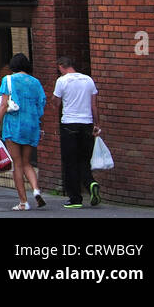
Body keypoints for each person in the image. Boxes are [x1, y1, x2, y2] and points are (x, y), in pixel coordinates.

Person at [0, 52, 46, 210]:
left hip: (14, 125)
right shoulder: (36, 82)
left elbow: (3, 105)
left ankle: (23, 202)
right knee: (27, 162)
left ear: (13, 66)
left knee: (18, 164)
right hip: (32, 125)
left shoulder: (8, 80)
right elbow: (41, 104)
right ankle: (36, 190)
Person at [51, 55, 102, 208]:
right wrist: (97, 124)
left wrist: (54, 98)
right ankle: (91, 183)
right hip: (86, 124)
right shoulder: (88, 80)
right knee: (84, 160)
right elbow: (94, 106)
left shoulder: (62, 80)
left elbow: (56, 102)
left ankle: (75, 199)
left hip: (69, 125)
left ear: (61, 66)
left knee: (70, 162)